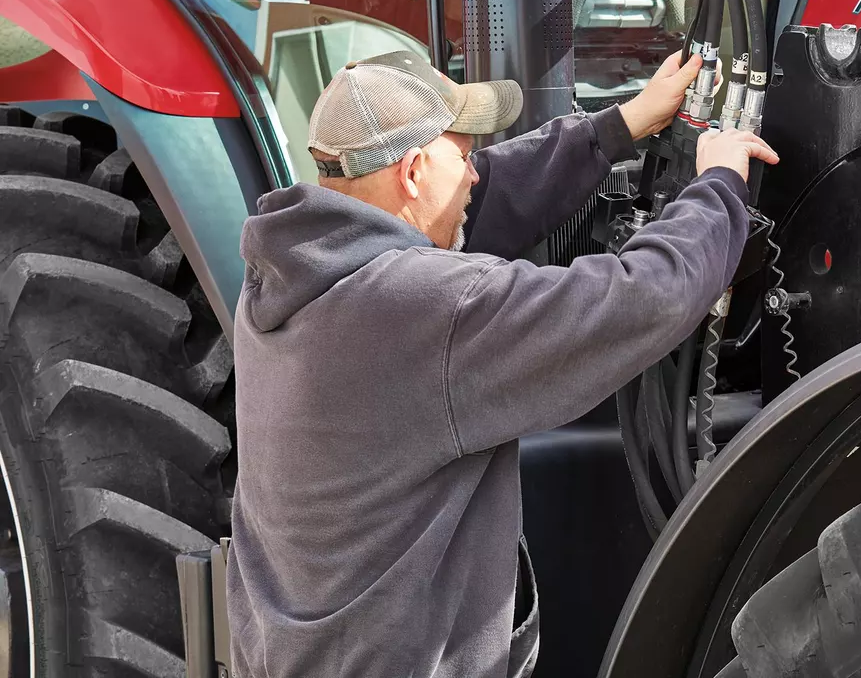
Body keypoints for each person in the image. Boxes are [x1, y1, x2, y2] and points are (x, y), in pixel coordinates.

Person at [226, 49, 779, 678]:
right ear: (412, 172)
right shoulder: (430, 315)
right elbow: (643, 297)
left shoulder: (286, 271)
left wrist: (615, 127)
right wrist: (718, 186)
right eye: (463, 157)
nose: (475, 176)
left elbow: (467, 207)